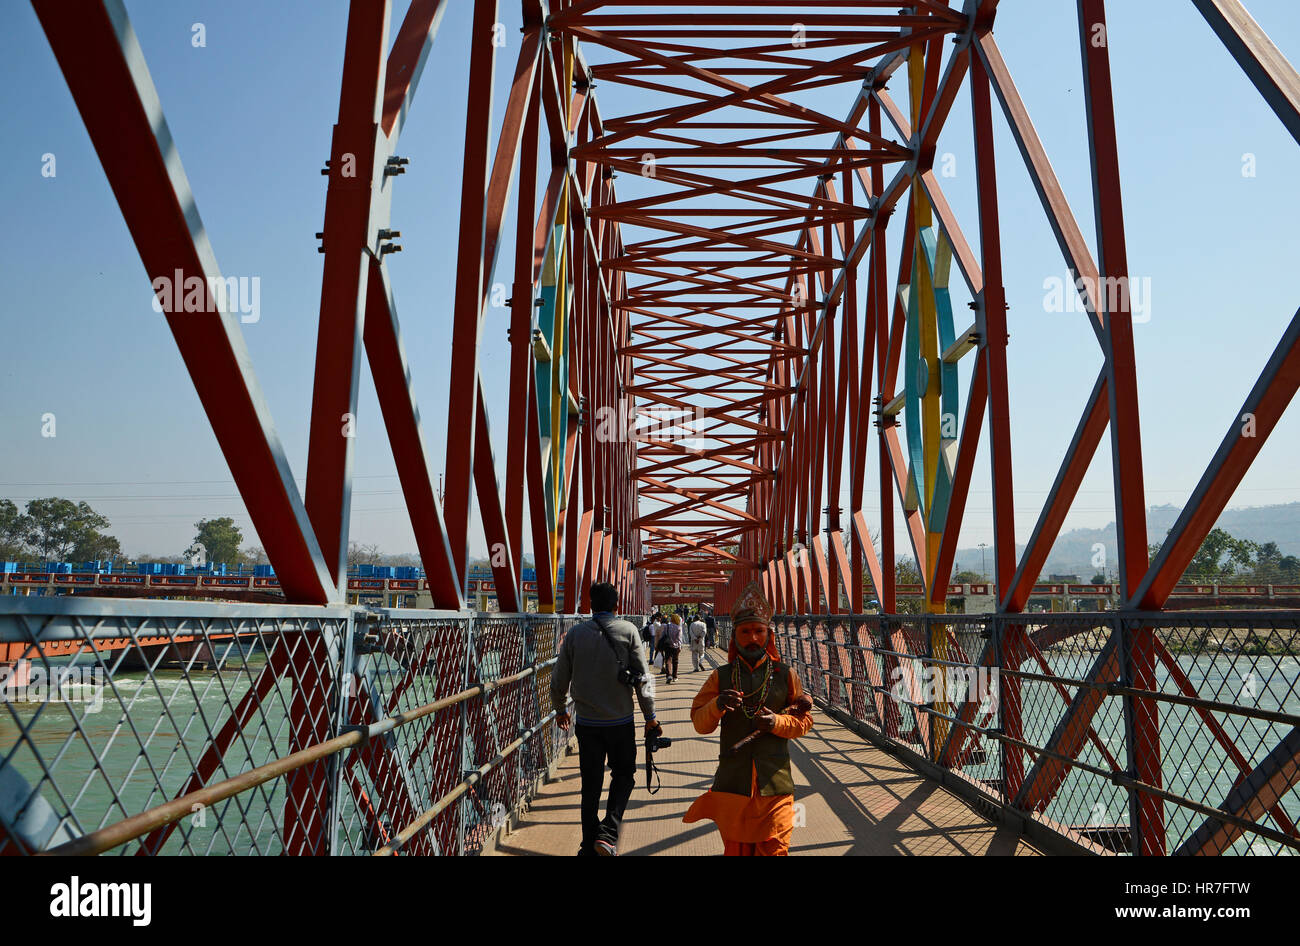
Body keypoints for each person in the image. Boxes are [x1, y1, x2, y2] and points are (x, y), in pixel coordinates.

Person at [683, 581, 814, 856]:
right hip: (733, 785)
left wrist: (777, 723)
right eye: (745, 632)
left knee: (776, 850)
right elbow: (700, 723)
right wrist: (718, 704)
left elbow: (804, 721)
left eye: (759, 631)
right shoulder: (719, 676)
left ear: (769, 635)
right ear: (735, 636)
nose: (753, 638)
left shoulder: (785, 675)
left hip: (775, 783)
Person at [552, 582, 661, 856]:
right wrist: (651, 716)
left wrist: (559, 709)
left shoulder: (575, 634)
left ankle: (589, 843)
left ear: (590, 606)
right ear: (617, 606)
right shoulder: (628, 630)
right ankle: (608, 834)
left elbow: (558, 679)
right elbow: (644, 678)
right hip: (620, 722)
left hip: (587, 724)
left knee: (590, 783)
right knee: (624, 775)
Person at [659, 612, 683, 682]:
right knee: (675, 661)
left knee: (668, 660)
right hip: (676, 647)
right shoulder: (679, 627)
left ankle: (668, 675)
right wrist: (680, 646)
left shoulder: (667, 626)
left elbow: (663, 635)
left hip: (668, 645)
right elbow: (679, 639)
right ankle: (675, 676)